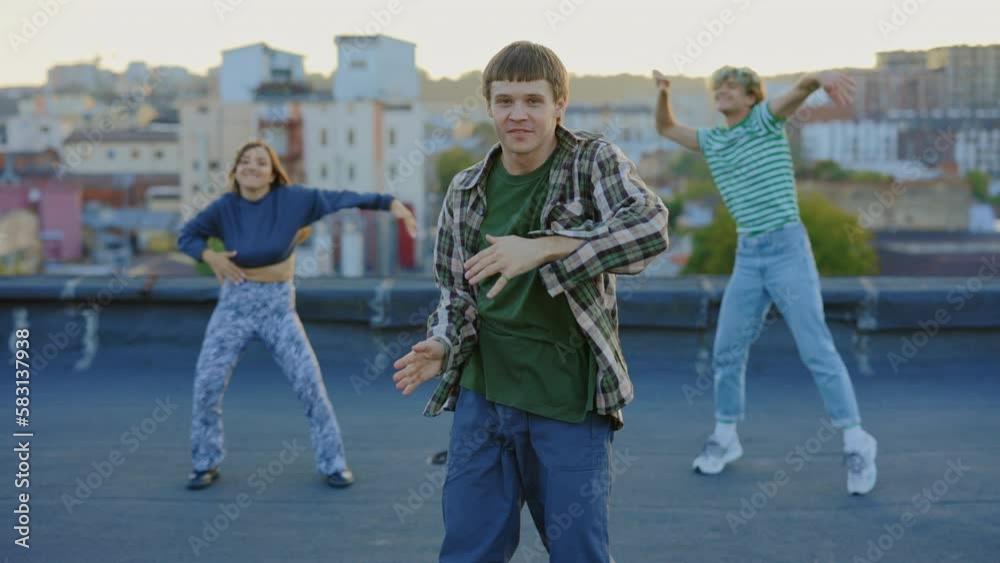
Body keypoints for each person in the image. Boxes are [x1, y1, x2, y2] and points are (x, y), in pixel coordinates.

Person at [392, 41, 669, 562]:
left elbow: (650, 230)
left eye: (533, 100)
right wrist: (443, 343)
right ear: (489, 105)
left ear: (559, 104)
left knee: (577, 551)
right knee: (469, 549)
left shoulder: (592, 162)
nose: (518, 113)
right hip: (484, 396)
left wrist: (547, 246)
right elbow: (455, 293)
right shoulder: (466, 188)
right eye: (505, 100)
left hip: (566, 400)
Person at [653, 66, 877, 494]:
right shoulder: (713, 141)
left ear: (753, 97)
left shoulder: (765, 119)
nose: (722, 90)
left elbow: (801, 89)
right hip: (748, 255)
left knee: (816, 349)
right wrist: (664, 92)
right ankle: (726, 436)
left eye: (732, 86)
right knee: (727, 351)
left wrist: (821, 78)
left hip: (788, 251)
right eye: (717, 85)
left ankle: (857, 441)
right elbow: (664, 127)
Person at [177, 140, 417, 490]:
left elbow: (342, 197)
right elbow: (187, 236)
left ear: (273, 173)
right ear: (236, 171)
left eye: (261, 162)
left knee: (310, 385)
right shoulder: (224, 208)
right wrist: (210, 257)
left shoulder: (294, 200)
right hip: (234, 306)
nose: (252, 167)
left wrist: (390, 204)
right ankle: (205, 462)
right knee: (206, 386)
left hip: (277, 308)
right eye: (245, 161)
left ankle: (333, 463)